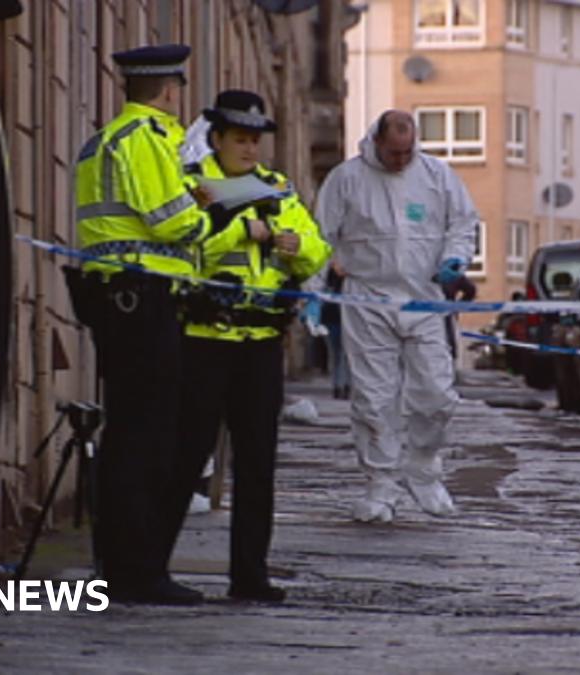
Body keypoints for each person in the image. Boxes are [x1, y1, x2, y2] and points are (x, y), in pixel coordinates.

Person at [170, 89, 331, 603]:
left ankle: (249, 576)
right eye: (240, 138)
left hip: (261, 343)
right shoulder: (194, 185)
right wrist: (249, 230)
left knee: (258, 466)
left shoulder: (277, 187)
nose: (250, 148)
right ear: (216, 138)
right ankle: (151, 567)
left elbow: (315, 250)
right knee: (184, 457)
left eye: (255, 139)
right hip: (203, 340)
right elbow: (187, 243)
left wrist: (296, 245)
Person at [72, 44, 214, 606]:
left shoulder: (103, 139)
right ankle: (136, 572)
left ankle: (118, 565)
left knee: (128, 433)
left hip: (116, 297)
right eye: (178, 88)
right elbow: (172, 222)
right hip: (143, 298)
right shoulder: (148, 138)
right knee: (148, 438)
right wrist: (205, 210)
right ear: (168, 89)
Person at [314, 110, 478, 523]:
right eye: (393, 153)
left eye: (407, 152)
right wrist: (312, 291)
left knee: (437, 394)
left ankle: (423, 467)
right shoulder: (347, 179)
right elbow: (321, 236)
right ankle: (381, 484)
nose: (400, 161)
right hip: (367, 300)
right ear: (377, 141)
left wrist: (455, 259)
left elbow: (462, 223)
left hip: (424, 299)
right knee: (374, 397)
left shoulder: (437, 176)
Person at [321, 260, 350, 399]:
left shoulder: (349, 280)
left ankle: (343, 386)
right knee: (338, 355)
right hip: (334, 320)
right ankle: (339, 386)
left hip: (342, 320)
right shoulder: (332, 280)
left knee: (344, 355)